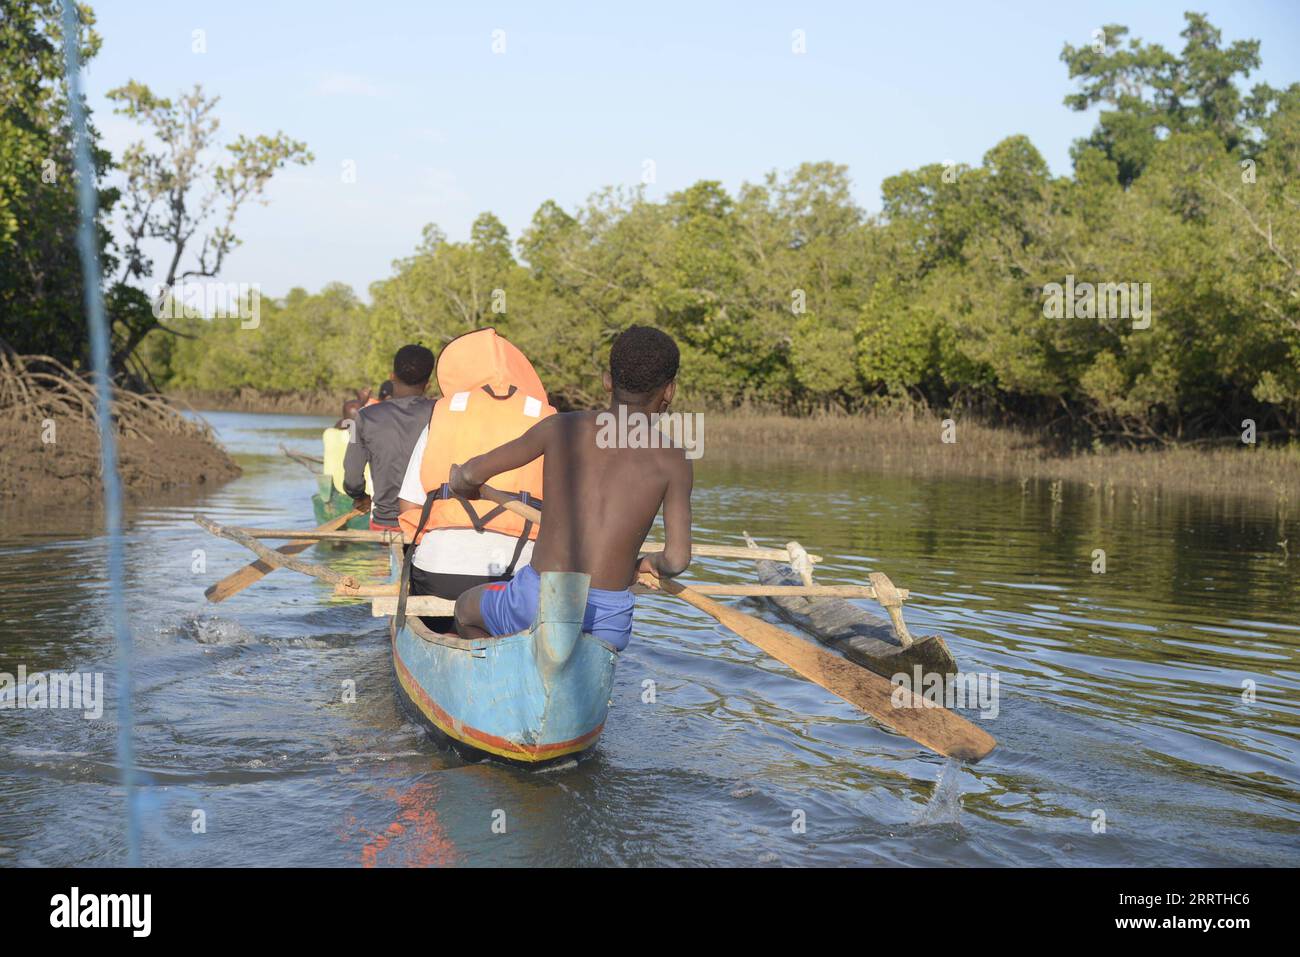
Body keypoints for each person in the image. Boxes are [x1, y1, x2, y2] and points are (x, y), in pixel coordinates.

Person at [449, 325, 693, 651]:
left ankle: (500, 668)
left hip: (536, 601)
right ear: (669, 391)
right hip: (606, 620)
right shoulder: (675, 460)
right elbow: (676, 560)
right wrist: (647, 563)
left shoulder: (558, 428)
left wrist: (461, 483)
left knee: (465, 608)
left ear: (608, 380)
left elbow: (469, 474)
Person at [397, 328, 554, 599]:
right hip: (515, 575)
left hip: (438, 573)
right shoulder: (547, 421)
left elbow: (408, 506)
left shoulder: (442, 416)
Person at [344, 345, 435, 530]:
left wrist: (360, 497)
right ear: (428, 383)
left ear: (392, 376)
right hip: (432, 524)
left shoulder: (364, 417)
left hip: (386, 525)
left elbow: (352, 479)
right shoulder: (443, 412)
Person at [321, 394, 371, 501]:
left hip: (338, 490)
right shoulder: (369, 437)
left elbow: (341, 424)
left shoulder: (329, 434)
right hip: (364, 491)